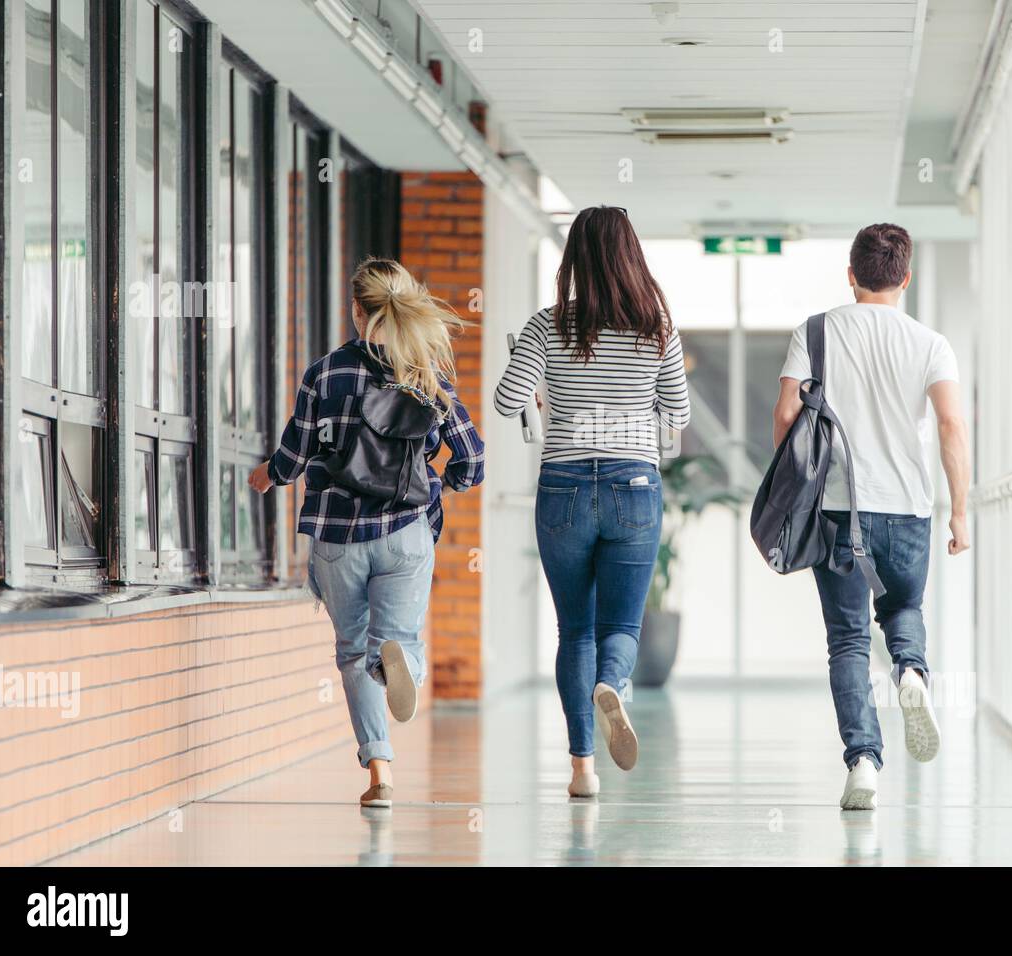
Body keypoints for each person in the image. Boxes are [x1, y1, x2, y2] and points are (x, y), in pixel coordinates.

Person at [249, 257, 484, 809]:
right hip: (405, 531)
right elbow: (472, 461)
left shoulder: (325, 373)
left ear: (356, 310)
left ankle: (380, 773)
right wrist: (437, 483)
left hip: (337, 538)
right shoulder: (427, 375)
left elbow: (293, 456)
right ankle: (398, 661)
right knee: (399, 639)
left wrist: (266, 476)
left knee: (352, 651)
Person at [772, 223, 970, 810]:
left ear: (851, 274)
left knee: (848, 639)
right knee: (904, 607)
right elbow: (954, 425)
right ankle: (911, 672)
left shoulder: (815, 332)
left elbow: (786, 414)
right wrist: (960, 510)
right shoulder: (931, 343)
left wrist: (785, 487)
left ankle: (862, 763)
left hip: (836, 508)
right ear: (904, 278)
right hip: (909, 507)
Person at [494, 206, 690, 799]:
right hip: (634, 485)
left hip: (564, 488)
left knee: (574, 629)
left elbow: (506, 403)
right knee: (622, 625)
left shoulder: (546, 325)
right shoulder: (656, 326)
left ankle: (583, 770)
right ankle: (612, 682)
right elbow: (677, 417)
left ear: (573, 256)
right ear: (631, 255)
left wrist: (547, 401)